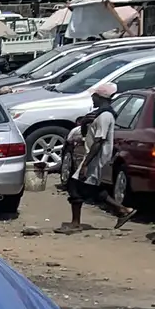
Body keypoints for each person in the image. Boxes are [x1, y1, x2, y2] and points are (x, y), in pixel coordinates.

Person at [60, 80, 135, 232]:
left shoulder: (105, 116)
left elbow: (99, 141)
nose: (92, 99)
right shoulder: (101, 114)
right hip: (93, 156)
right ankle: (122, 210)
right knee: (91, 188)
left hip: (96, 158)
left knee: (75, 187)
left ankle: (76, 223)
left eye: (94, 96)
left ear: (100, 97)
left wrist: (86, 164)